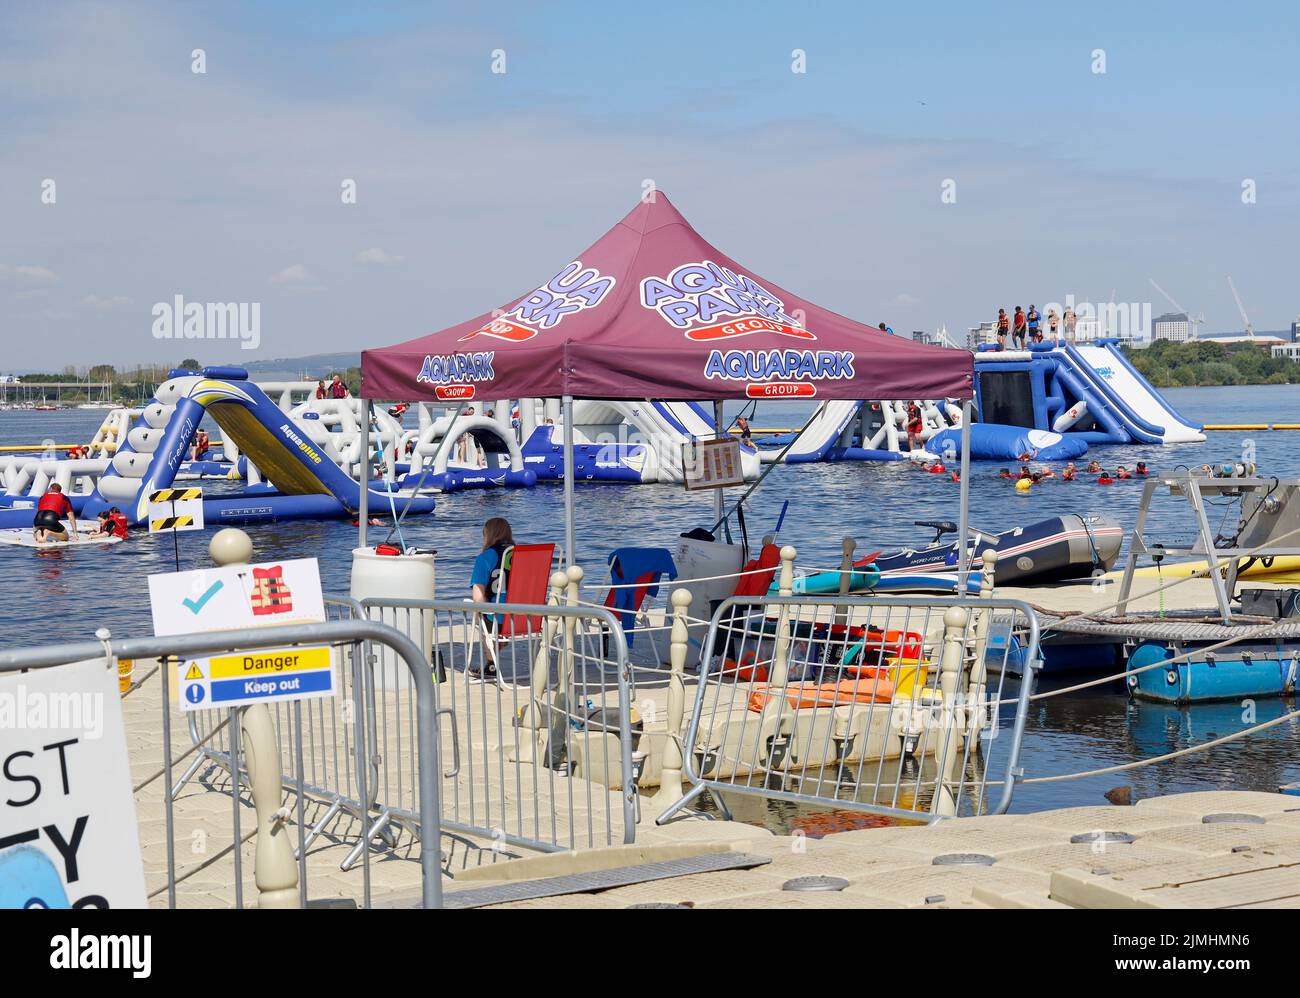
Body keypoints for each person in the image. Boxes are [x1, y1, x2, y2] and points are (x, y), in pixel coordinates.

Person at [470, 517, 515, 678]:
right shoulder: (524, 555)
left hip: (499, 619)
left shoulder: (485, 558)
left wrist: (479, 611)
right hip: (526, 617)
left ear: (487, 535)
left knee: (482, 611)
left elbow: (478, 595)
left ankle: (491, 666)